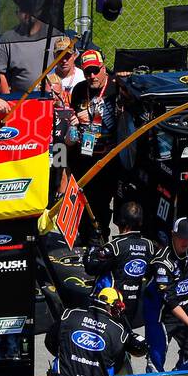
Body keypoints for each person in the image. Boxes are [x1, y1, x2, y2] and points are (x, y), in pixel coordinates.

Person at [66, 49, 119, 238]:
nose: (92, 76)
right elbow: (72, 117)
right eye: (88, 71)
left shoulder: (115, 86)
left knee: (103, 201)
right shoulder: (80, 89)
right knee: (84, 197)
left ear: (104, 68)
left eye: (96, 70)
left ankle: (101, 235)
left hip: (108, 156)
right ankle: (85, 235)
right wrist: (74, 124)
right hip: (85, 154)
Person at [143, 217, 188, 373]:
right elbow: (169, 300)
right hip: (161, 314)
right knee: (156, 359)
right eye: (182, 238)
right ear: (173, 235)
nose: (185, 242)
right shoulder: (162, 263)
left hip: (185, 308)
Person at [84, 199, 156, 334]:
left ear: (121, 222)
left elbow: (90, 267)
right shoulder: (149, 246)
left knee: (106, 343)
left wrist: (94, 243)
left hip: (109, 304)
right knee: (122, 340)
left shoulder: (115, 247)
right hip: (132, 305)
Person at [0, 7, 56, 94]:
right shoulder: (8, 38)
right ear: (17, 14)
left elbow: (69, 62)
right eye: (24, 10)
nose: (28, 14)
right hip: (22, 101)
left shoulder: (55, 35)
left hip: (53, 98)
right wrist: (8, 99)